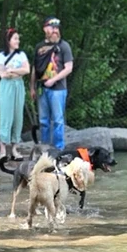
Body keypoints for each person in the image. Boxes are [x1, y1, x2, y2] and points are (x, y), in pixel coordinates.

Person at [30, 16, 73, 151]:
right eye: (52, 28)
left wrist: (54, 80)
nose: (55, 31)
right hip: (42, 88)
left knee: (58, 120)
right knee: (43, 120)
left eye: (57, 28)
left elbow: (69, 68)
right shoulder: (39, 47)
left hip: (58, 89)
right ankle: (44, 148)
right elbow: (34, 68)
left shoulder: (64, 46)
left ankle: (58, 149)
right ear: (45, 29)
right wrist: (32, 87)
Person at [0, 27, 30, 161]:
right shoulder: (0, 56)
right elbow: (3, 74)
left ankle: (15, 148)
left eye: (18, 38)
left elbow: (27, 70)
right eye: (15, 38)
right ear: (8, 40)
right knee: (6, 115)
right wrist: (16, 71)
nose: (18, 41)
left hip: (18, 86)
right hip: (6, 87)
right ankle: (3, 148)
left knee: (18, 116)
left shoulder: (21, 55)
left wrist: (12, 70)